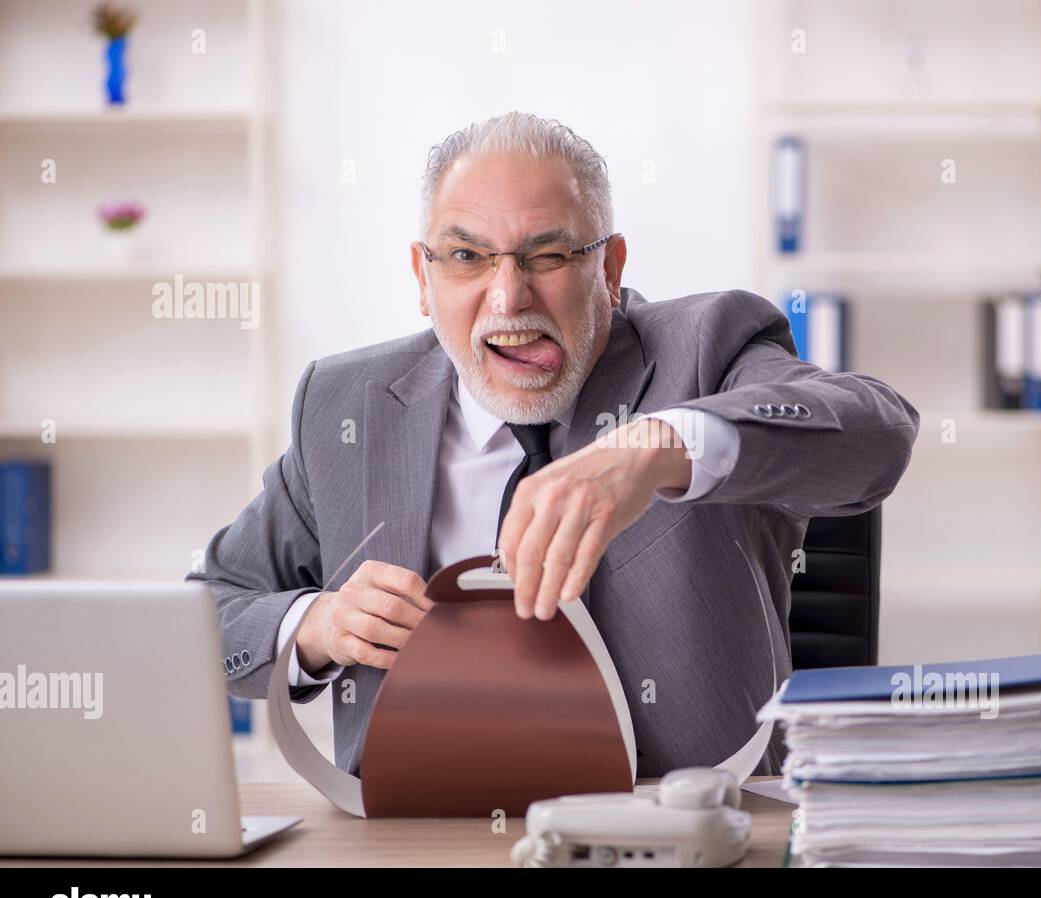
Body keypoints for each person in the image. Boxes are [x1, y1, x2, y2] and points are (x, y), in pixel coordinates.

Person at [188, 112, 919, 777]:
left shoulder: (707, 348)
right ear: (423, 276)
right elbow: (209, 611)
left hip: (687, 833)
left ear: (609, 267)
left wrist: (656, 448)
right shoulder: (347, 408)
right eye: (468, 256)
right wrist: (315, 623)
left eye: (547, 257)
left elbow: (875, 431)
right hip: (422, 837)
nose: (508, 298)